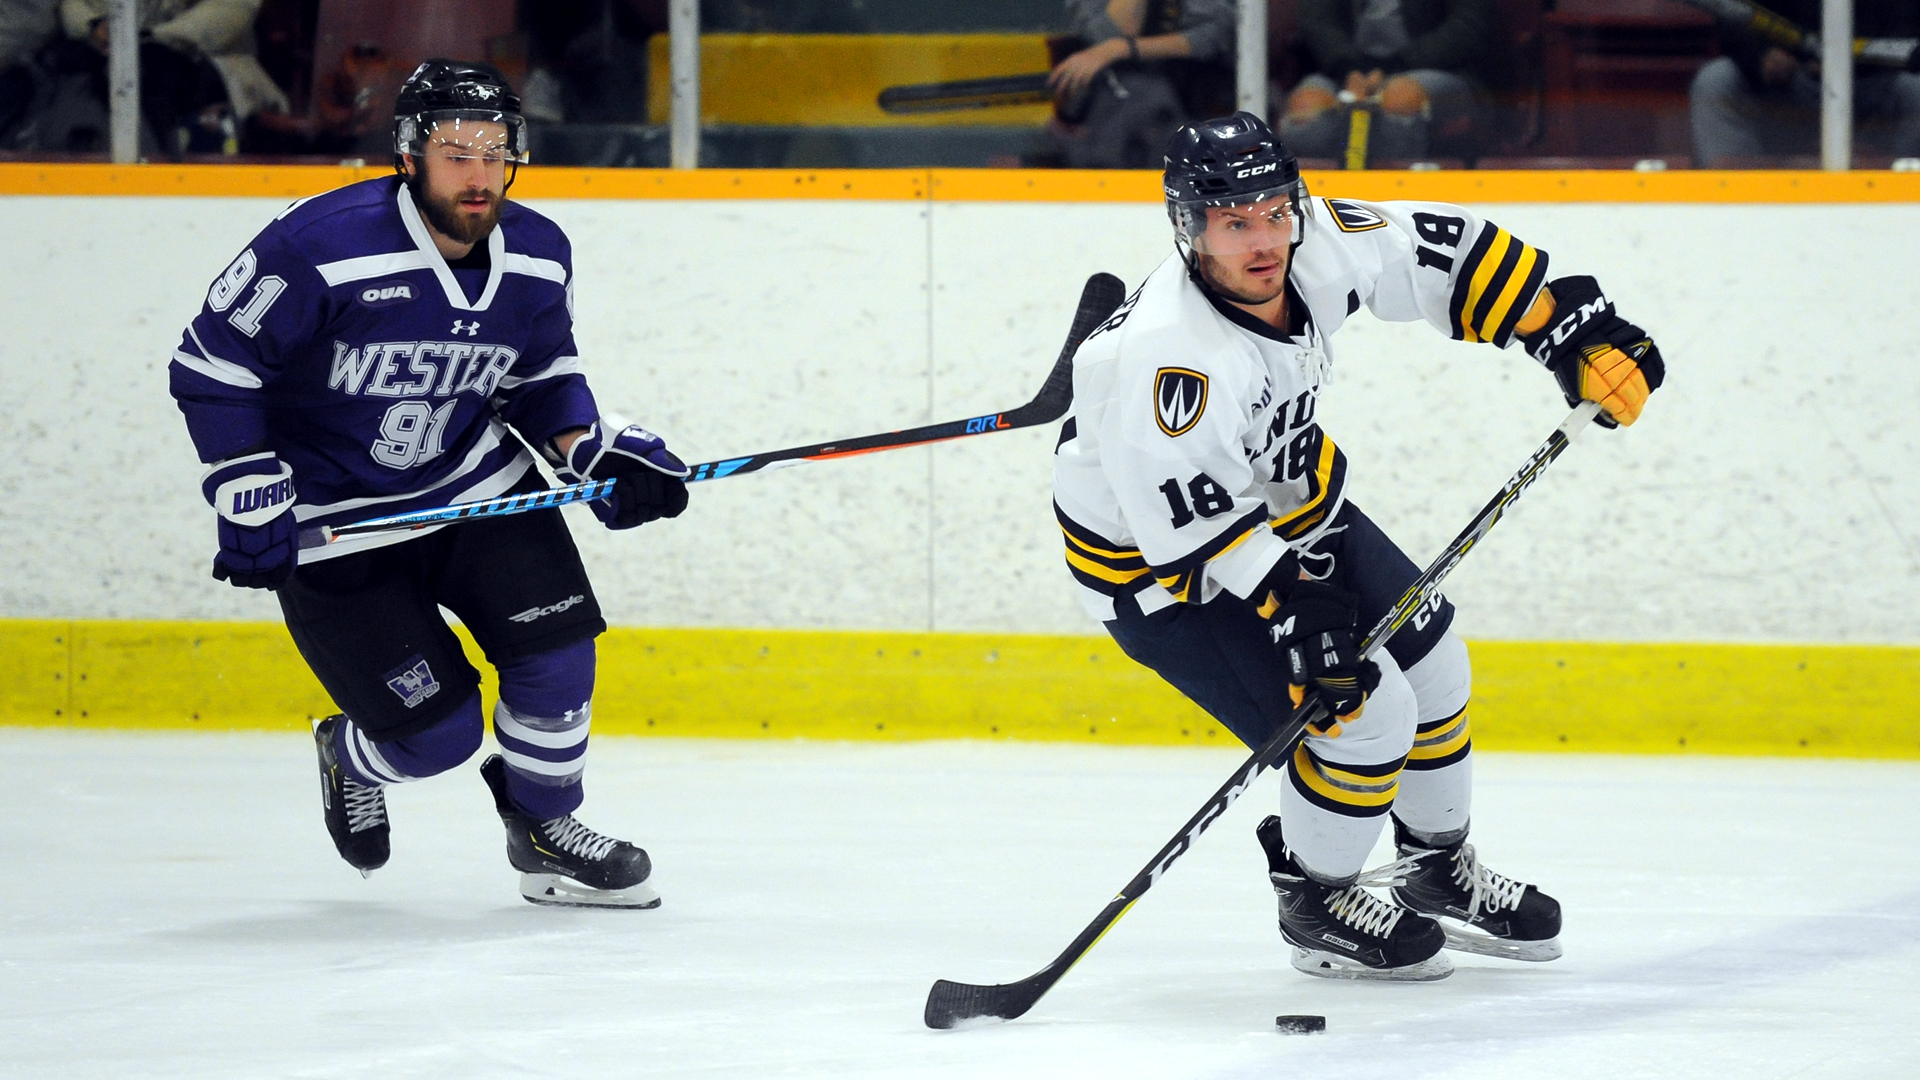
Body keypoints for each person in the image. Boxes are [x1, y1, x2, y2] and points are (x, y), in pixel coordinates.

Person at [1051, 112, 1664, 979]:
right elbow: (1185, 528)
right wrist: (1297, 608)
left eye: (1274, 209)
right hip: (1168, 576)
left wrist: (1563, 327)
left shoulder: (1315, 239)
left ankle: (1433, 871)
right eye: (1235, 221)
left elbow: (1440, 251)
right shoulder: (1167, 359)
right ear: (1189, 230)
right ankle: (1316, 896)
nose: (1264, 238)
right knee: (1364, 716)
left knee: (1437, 661)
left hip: (1291, 502)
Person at [167, 59, 690, 909]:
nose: (480, 173)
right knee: (437, 739)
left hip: (474, 490)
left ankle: (545, 827)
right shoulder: (315, 246)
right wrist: (245, 482)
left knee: (558, 663)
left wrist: (594, 452)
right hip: (339, 521)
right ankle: (349, 755)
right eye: (457, 150)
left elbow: (542, 378)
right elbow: (211, 365)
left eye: (496, 151)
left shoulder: (540, 253)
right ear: (410, 153)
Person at [1690, 0, 1920, 166]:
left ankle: (1902, 194)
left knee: (1915, 89)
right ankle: (1734, 197)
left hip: (1869, 89)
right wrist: (1762, 57)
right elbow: (1732, 22)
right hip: (1783, 90)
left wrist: (1846, 61)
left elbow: (1909, 33)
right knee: (1716, 79)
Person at [1282, 0, 1495, 164]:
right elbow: (1317, 21)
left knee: (1399, 98)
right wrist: (1348, 70)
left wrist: (1390, 67)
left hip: (1438, 70)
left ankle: (1394, 200)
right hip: (1344, 69)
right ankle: (1321, 202)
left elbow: (1467, 27)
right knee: (1306, 104)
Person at [1048, 0, 1237, 168]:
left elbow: (1217, 35)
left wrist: (1124, 49)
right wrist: (1115, 47)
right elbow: (1108, 33)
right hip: (1113, 117)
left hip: (1202, 107)